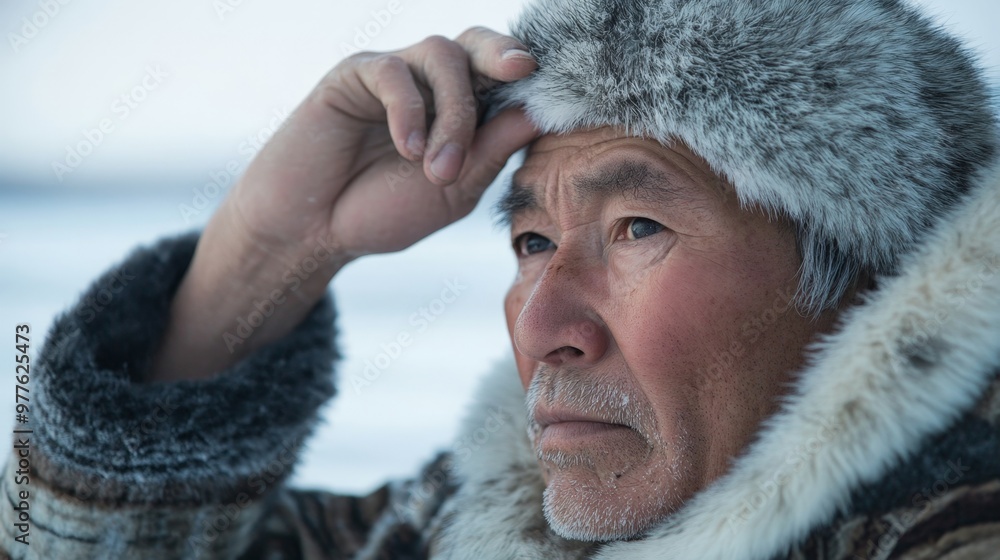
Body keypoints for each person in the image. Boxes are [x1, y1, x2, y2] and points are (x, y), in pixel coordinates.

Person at [3, 0, 999, 558]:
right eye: (529, 241)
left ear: (876, 294)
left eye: (637, 227)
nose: (543, 325)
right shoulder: (467, 521)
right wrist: (275, 244)